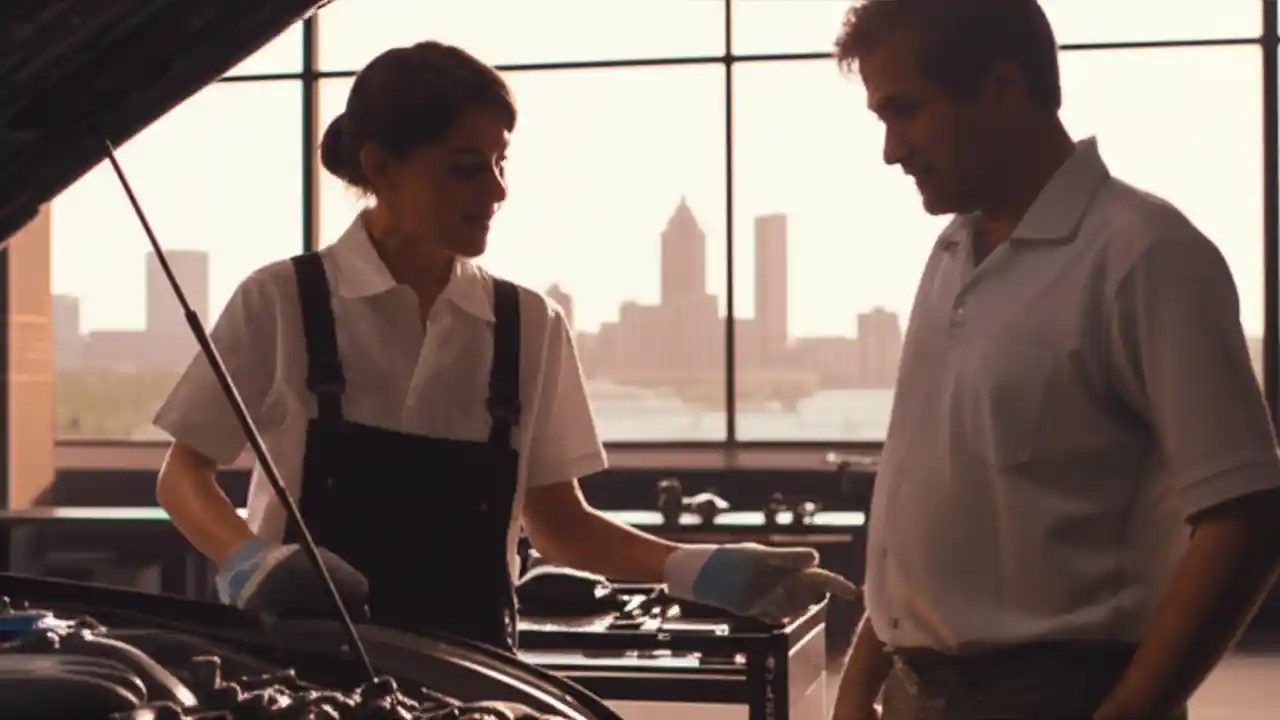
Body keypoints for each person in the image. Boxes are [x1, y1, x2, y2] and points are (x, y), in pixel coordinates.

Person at [153, 40, 857, 654]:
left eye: (499, 161)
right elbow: (183, 475)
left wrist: (695, 566)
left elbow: (557, 524)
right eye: (464, 167)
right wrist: (249, 559)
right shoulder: (281, 301)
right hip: (305, 675)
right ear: (384, 167)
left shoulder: (528, 324)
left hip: (475, 674)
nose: (495, 190)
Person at [827, 1, 1280, 719]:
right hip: (916, 694)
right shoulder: (950, 255)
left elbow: (1246, 516)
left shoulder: (1145, 255)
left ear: (1003, 88)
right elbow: (924, 507)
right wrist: (856, 692)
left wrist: (1130, 710)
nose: (891, 149)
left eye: (905, 110)